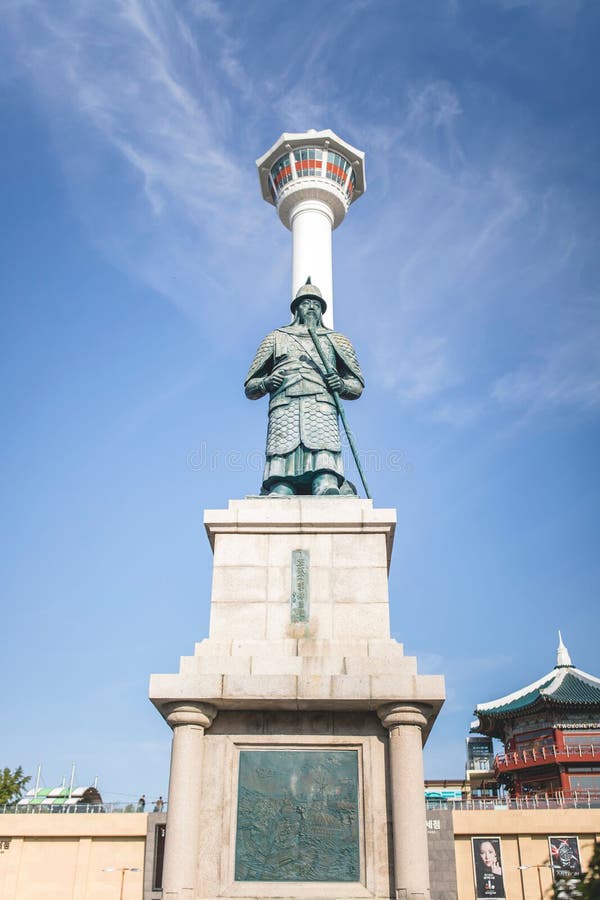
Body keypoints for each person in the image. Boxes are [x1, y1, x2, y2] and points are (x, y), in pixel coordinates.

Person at [245, 279, 364, 496]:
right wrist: (266, 382)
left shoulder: (335, 340)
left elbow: (356, 386)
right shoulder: (276, 337)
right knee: (283, 447)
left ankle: (325, 481)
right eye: (305, 302)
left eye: (316, 304)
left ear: (322, 310)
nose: (311, 307)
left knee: (323, 447)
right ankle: (282, 485)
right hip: (285, 405)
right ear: (296, 308)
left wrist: (341, 385)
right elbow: (251, 387)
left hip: (321, 405)